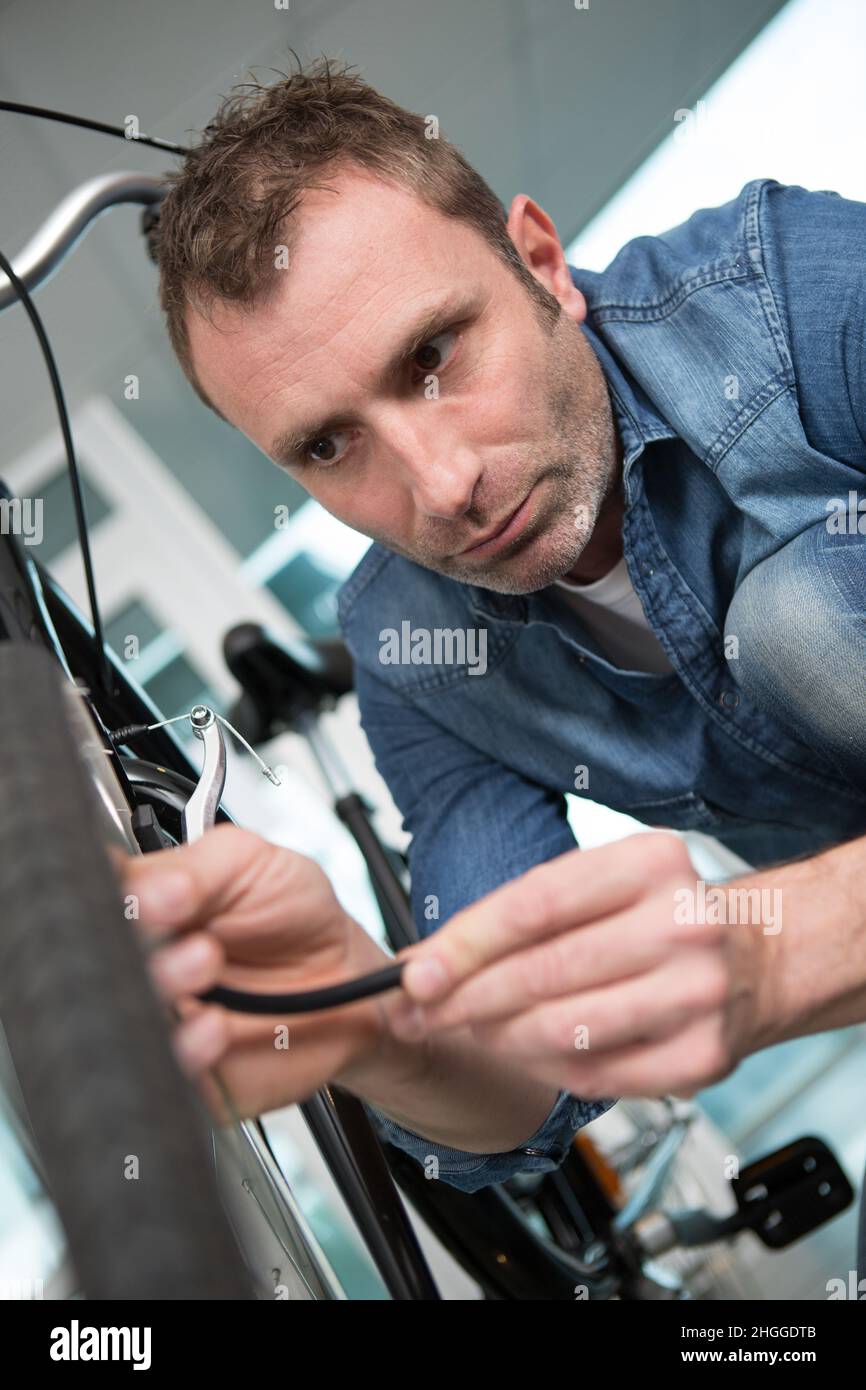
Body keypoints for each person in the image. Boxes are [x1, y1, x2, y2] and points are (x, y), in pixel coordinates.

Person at [136, 56, 866, 1262]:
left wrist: (777, 944)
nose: (440, 486)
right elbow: (535, 1073)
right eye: (328, 444)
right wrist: (368, 1016)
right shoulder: (414, 654)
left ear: (539, 263)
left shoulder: (791, 300)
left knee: (797, 624)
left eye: (431, 355)